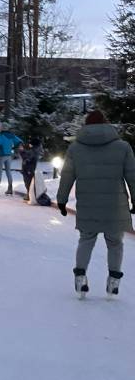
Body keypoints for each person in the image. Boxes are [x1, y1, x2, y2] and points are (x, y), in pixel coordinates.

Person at [56, 110, 135, 299]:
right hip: (115, 204)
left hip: (87, 202)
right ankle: (113, 282)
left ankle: (80, 277)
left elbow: (67, 175)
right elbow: (132, 175)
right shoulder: (123, 147)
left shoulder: (75, 148)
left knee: (86, 240)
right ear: (106, 123)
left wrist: (62, 199)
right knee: (115, 242)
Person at [0, 123, 23, 196]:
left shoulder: (0, 136)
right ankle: (10, 189)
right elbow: (19, 141)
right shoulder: (11, 135)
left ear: (1, 129)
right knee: (8, 172)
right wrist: (13, 147)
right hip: (9, 155)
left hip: (0, 155)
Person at [21, 137, 44, 202]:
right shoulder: (37, 149)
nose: (29, 144)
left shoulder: (33, 150)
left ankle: (29, 195)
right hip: (31, 168)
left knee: (28, 182)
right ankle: (30, 194)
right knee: (29, 181)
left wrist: (22, 151)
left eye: (30, 143)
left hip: (28, 168)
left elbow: (27, 157)